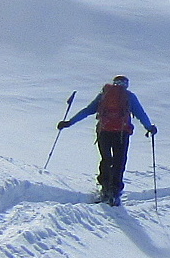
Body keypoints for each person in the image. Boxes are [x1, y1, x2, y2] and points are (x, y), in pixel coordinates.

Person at [57, 75, 157, 205]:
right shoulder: (129, 96)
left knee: (106, 158)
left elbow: (88, 110)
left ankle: (104, 187)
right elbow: (140, 114)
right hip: (122, 133)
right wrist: (149, 127)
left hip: (103, 132)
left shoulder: (104, 95)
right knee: (119, 161)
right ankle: (115, 192)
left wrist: (69, 122)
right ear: (126, 85)